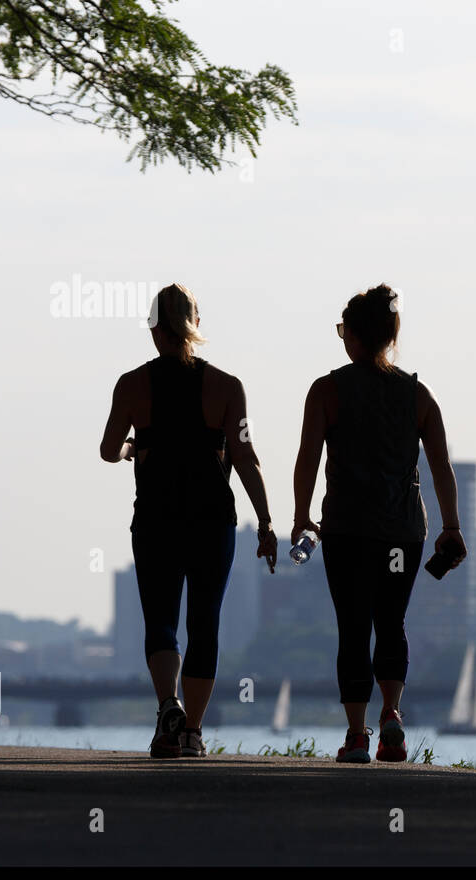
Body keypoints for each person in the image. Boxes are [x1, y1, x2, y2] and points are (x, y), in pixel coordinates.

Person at [101, 283, 278, 758]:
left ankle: (167, 710)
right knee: (205, 623)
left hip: (156, 517)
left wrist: (131, 449)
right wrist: (265, 522)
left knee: (160, 620)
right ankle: (193, 732)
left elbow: (107, 449)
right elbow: (246, 458)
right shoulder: (227, 387)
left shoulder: (132, 385)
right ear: (196, 327)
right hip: (212, 521)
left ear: (155, 329)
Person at [291, 284, 466, 764]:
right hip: (403, 534)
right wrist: (451, 526)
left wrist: (302, 515)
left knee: (353, 627)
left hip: (347, 530)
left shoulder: (327, 390)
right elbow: (441, 469)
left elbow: (307, 458)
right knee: (392, 622)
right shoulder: (418, 394)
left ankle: (356, 735)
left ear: (355, 336)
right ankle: (392, 714)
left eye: (344, 330)